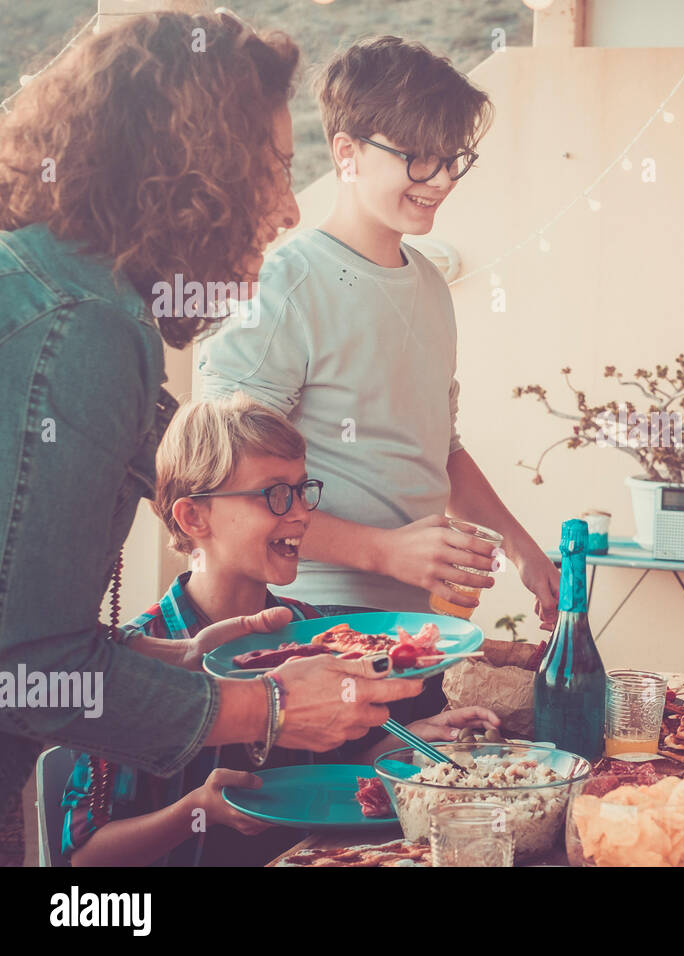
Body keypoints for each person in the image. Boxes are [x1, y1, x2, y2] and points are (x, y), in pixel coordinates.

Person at [0, 12, 422, 865]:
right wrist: (266, 710)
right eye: (271, 168)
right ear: (191, 172)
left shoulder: (43, 280)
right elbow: (31, 664)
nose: (287, 205)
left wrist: (176, 660)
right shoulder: (86, 328)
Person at [198, 36, 560, 638]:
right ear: (346, 153)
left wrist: (522, 548)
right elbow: (222, 480)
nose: (441, 179)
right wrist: (383, 551)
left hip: (419, 623)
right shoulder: (285, 284)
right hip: (306, 618)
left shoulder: (430, 287)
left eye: (453, 158)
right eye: (419, 157)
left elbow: (440, 449)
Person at [60, 395, 497, 866]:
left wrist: (410, 738)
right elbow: (85, 856)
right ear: (194, 517)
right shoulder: (133, 662)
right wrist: (195, 812)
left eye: (301, 488)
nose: (301, 513)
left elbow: (328, 779)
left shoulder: (311, 627)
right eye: (274, 494)